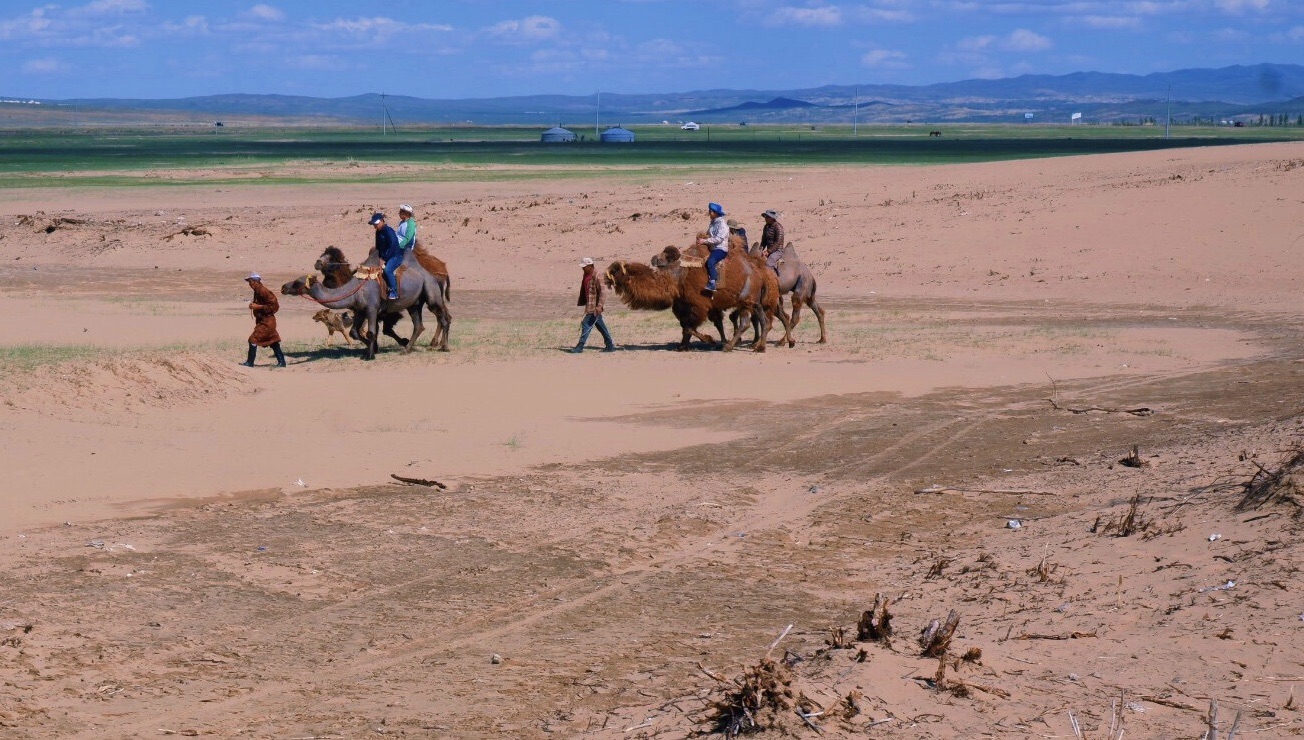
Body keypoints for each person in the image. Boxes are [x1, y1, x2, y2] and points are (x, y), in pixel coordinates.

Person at [571, 257, 616, 353]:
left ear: (590, 266)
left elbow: (603, 293)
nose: (582, 268)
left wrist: (599, 306)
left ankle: (580, 346)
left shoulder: (597, 276)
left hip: (594, 307)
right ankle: (610, 345)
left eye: (584, 267)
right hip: (589, 305)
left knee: (586, 324)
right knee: (600, 325)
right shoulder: (586, 274)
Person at [242, 272, 286, 367]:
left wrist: (258, 307)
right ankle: (282, 362)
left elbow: (274, 306)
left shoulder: (263, 291)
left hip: (267, 322)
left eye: (250, 281)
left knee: (253, 339)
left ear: (255, 282)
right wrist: (254, 306)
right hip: (264, 321)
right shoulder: (257, 291)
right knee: (273, 341)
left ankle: (250, 363)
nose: (249, 284)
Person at [695, 202, 729, 294]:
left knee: (710, 262)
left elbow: (718, 239)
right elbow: (709, 234)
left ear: (716, 213)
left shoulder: (723, 226)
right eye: (709, 211)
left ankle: (713, 283)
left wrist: (704, 241)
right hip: (712, 248)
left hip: (720, 249)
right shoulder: (713, 224)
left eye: (711, 211)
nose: (709, 213)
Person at [369, 212, 401, 300]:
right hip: (383, 257)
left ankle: (394, 292)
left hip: (395, 257)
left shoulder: (389, 231)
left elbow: (393, 245)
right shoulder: (378, 232)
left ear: (382, 221)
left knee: (387, 270)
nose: (375, 226)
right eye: (374, 225)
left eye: (376, 224)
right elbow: (378, 247)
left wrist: (384, 259)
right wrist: (378, 258)